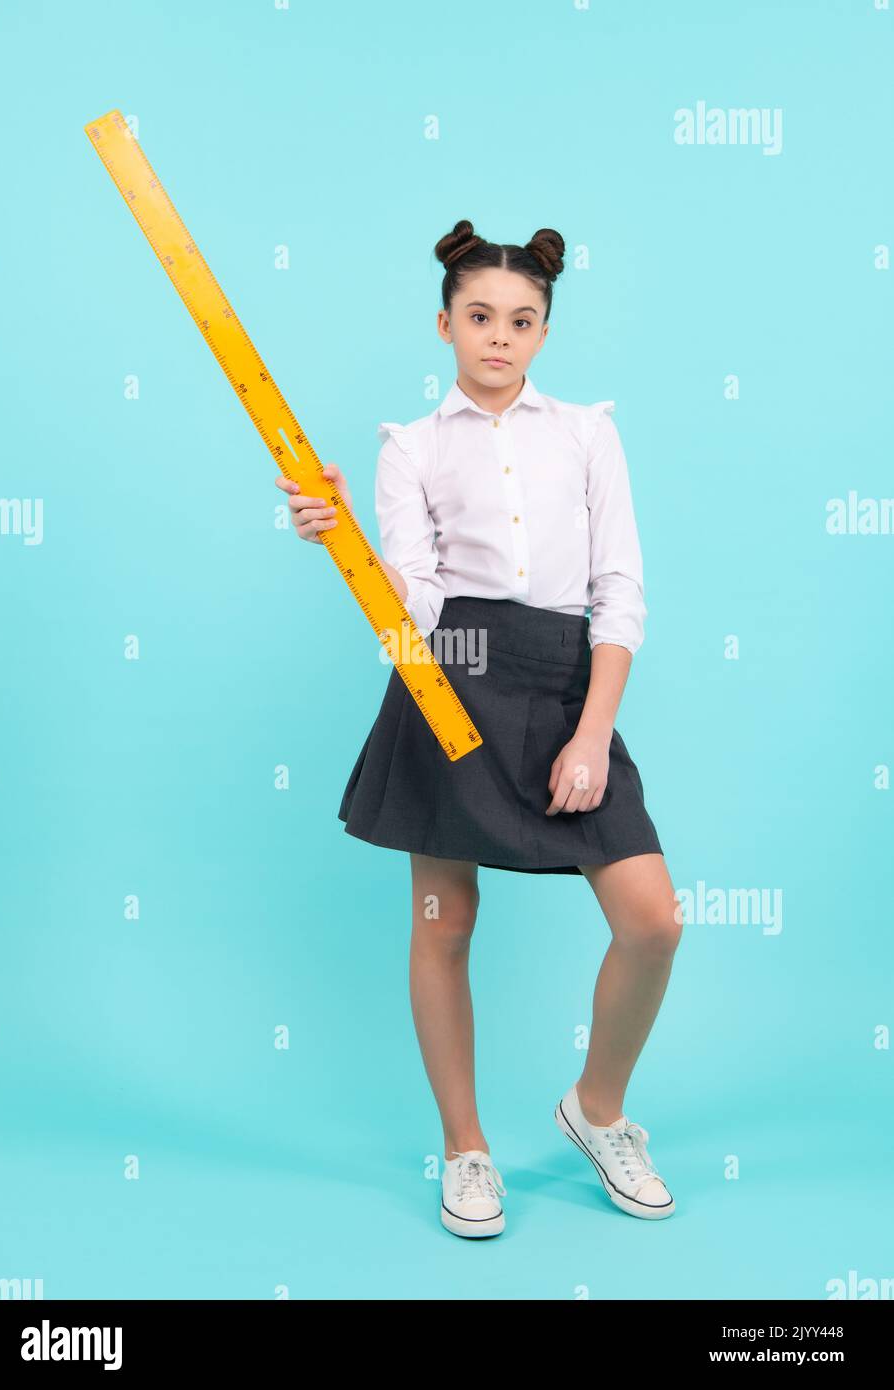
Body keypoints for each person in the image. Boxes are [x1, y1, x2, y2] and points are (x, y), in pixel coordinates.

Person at [275, 219, 683, 1239]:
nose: (499, 337)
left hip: (561, 683)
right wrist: (344, 543)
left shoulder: (588, 431)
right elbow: (408, 604)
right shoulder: (407, 447)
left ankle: (597, 1111)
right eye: (479, 318)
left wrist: (590, 735)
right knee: (442, 923)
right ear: (444, 323)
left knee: (651, 918)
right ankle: (464, 1149)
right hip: (446, 679)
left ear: (543, 330)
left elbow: (619, 593)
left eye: (522, 320)